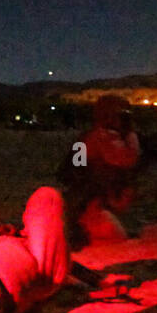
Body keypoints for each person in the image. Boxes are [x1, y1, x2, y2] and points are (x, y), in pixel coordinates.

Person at [59, 94, 142, 247]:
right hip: (90, 205)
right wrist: (131, 135)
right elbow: (128, 159)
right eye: (122, 116)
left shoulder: (88, 136)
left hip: (81, 202)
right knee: (117, 239)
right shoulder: (104, 137)